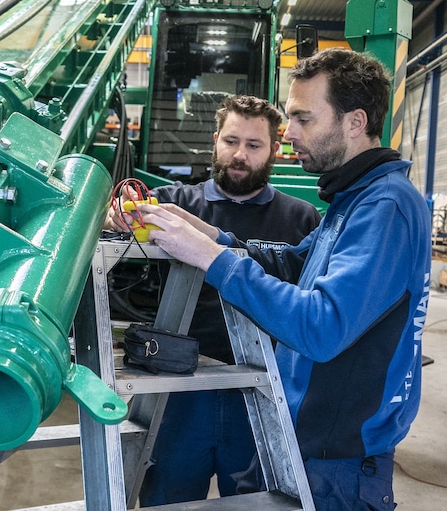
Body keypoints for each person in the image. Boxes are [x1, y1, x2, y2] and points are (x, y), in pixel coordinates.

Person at [140, 48, 431, 511]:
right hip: (304, 440)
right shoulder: (351, 199)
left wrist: (211, 258)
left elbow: (321, 326)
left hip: (337, 461)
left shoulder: (385, 206)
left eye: (302, 119)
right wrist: (210, 234)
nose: (288, 133)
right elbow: (294, 264)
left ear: (355, 122)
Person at [107, 95, 321, 506]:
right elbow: (111, 219)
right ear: (215, 140)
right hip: (176, 388)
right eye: (231, 141)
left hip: (260, 389)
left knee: (254, 500)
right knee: (166, 496)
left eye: (254, 145)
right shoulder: (176, 204)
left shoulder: (301, 219)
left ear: (275, 149)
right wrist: (116, 214)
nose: (240, 155)